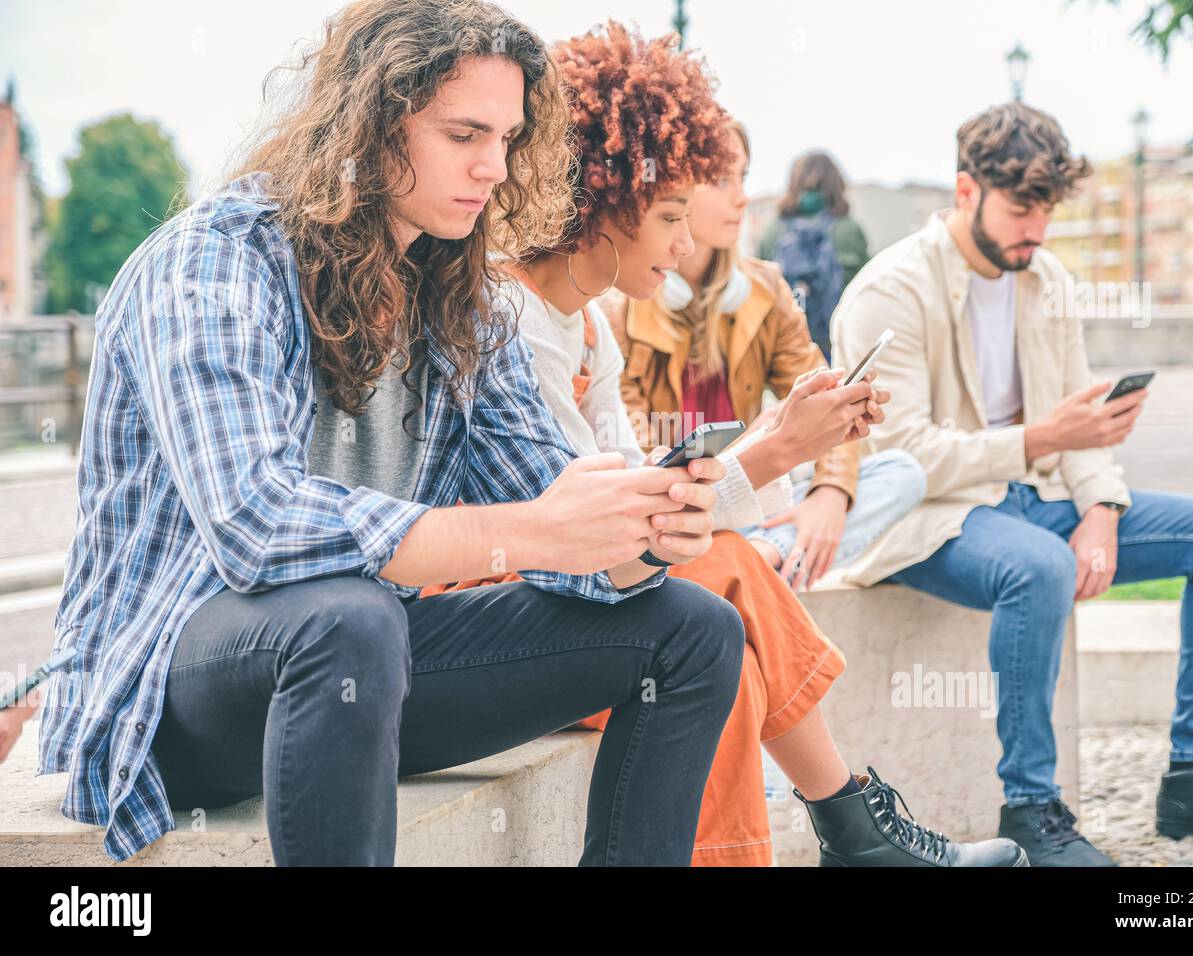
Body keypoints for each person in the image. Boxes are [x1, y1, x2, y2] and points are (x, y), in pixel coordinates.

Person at [34, 0, 747, 867]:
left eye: (508, 139)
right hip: (167, 696)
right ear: (369, 125)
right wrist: (534, 530)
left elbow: (557, 515)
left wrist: (642, 532)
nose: (493, 167)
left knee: (692, 629)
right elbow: (258, 525)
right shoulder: (215, 262)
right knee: (352, 616)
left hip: (357, 681)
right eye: (463, 134)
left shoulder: (463, 302)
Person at [465, 21, 1024, 868]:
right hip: (505, 613)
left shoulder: (586, 330)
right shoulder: (512, 322)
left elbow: (632, 517)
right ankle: (854, 827)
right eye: (669, 216)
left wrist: (786, 444)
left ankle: (850, 831)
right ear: (597, 200)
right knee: (720, 586)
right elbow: (591, 542)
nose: (687, 244)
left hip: (589, 595)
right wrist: (774, 452)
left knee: (722, 626)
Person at [830, 101, 1193, 866]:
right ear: (965, 191)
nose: (1038, 230)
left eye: (1047, 209)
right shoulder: (890, 290)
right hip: (925, 517)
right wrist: (1046, 439)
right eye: (1022, 209)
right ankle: (1030, 808)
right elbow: (905, 457)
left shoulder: (1044, 278)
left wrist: (1103, 507)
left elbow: (1080, 417)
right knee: (1041, 566)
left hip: (1030, 499)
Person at [608, 122, 927, 595]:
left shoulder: (765, 289)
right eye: (721, 180)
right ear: (676, 187)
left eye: (744, 177)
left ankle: (764, 554)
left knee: (902, 474)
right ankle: (765, 556)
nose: (741, 198)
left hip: (754, 502)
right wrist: (761, 445)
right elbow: (636, 461)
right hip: (680, 511)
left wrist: (830, 494)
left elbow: (822, 390)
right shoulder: (620, 304)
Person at [758, 150, 870, 356]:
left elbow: (759, 292)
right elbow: (867, 289)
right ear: (836, 183)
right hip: (837, 347)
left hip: (786, 350)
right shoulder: (848, 229)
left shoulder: (772, 231)